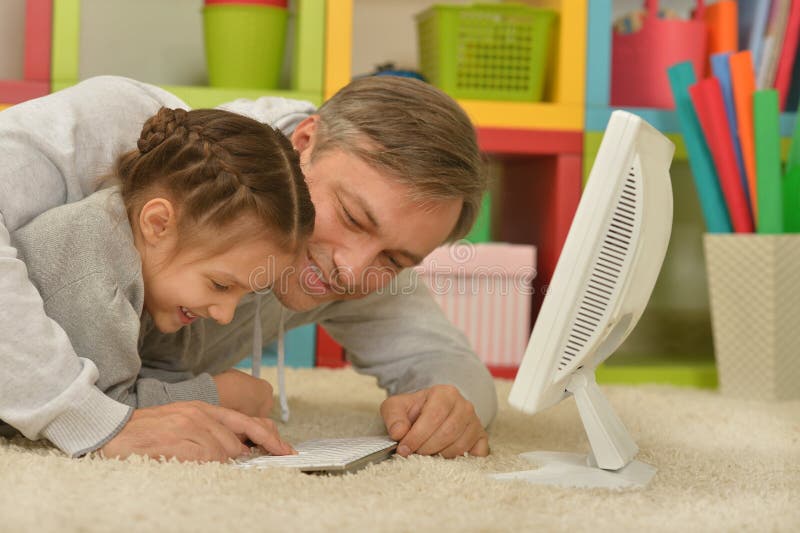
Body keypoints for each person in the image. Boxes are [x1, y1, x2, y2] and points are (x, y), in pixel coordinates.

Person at [0, 75, 497, 462]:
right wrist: (85, 418)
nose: (351, 271)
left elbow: (444, 361)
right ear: (306, 140)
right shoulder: (120, 121)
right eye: (351, 217)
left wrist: (447, 408)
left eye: (395, 260)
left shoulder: (362, 267)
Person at [9, 106, 315, 457]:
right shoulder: (95, 265)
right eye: (220, 285)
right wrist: (217, 394)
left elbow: (166, 375)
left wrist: (207, 403)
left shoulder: (161, 279)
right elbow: (109, 413)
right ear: (157, 224)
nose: (226, 315)